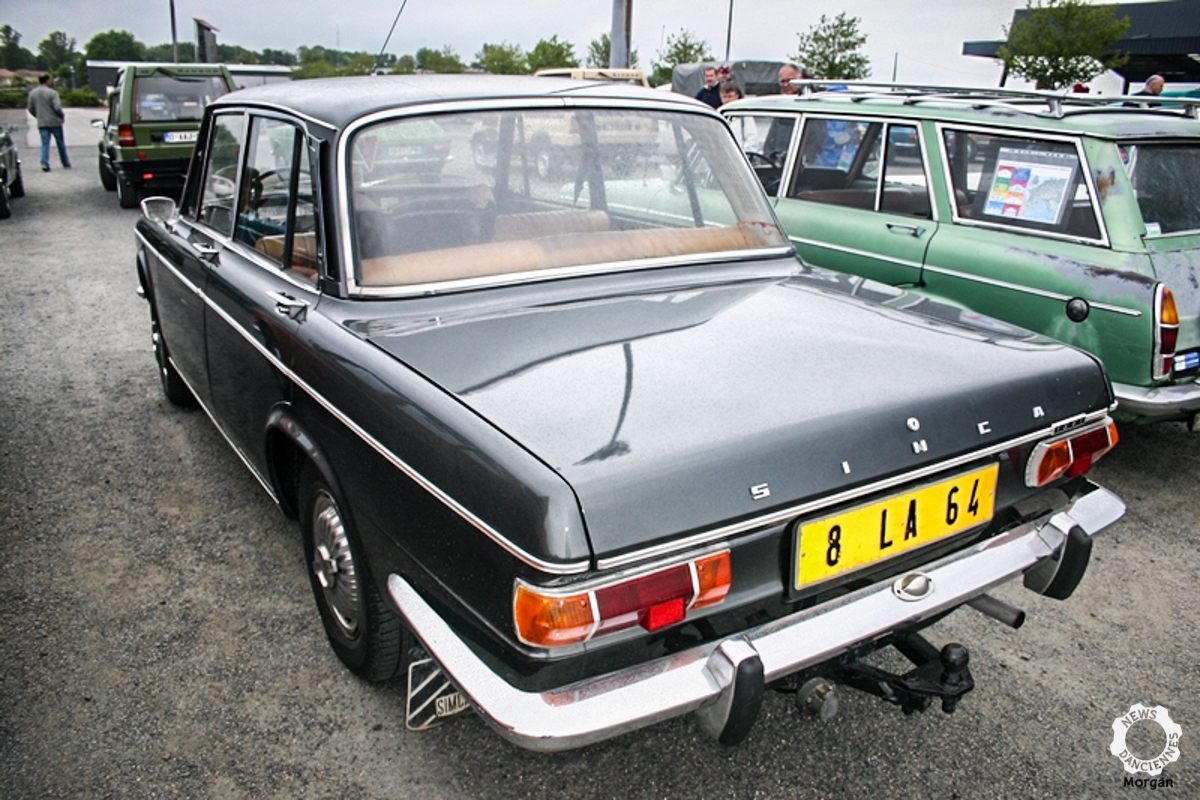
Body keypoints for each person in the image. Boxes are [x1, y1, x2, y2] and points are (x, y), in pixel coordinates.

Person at [27, 74, 71, 172]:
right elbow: (57, 107)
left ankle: (44, 163)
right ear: (47, 81)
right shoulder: (53, 93)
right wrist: (61, 115)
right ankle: (65, 162)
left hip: (42, 121)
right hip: (54, 121)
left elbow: (30, 108)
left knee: (45, 143)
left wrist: (37, 115)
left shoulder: (33, 93)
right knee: (60, 143)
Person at [719, 80, 759, 151]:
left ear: (737, 96)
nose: (727, 100)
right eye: (724, 97)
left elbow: (752, 140)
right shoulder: (719, 115)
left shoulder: (745, 116)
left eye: (730, 96)